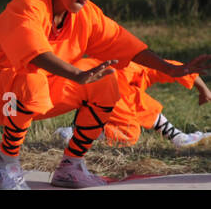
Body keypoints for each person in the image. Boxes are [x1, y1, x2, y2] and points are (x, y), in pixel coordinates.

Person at [0, 0, 211, 189]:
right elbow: (34, 55)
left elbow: (128, 45)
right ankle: (7, 163)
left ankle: (71, 167)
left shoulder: (86, 15)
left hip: (41, 91)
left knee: (106, 79)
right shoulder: (27, 7)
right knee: (32, 79)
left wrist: (173, 69)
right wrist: (77, 74)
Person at [54, 59, 209, 150]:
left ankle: (177, 136)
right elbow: (178, 69)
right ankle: (74, 133)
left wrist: (204, 89)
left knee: (139, 101)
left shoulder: (144, 69)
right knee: (129, 134)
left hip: (93, 81)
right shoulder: (132, 70)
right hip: (100, 85)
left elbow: (179, 69)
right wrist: (203, 90)